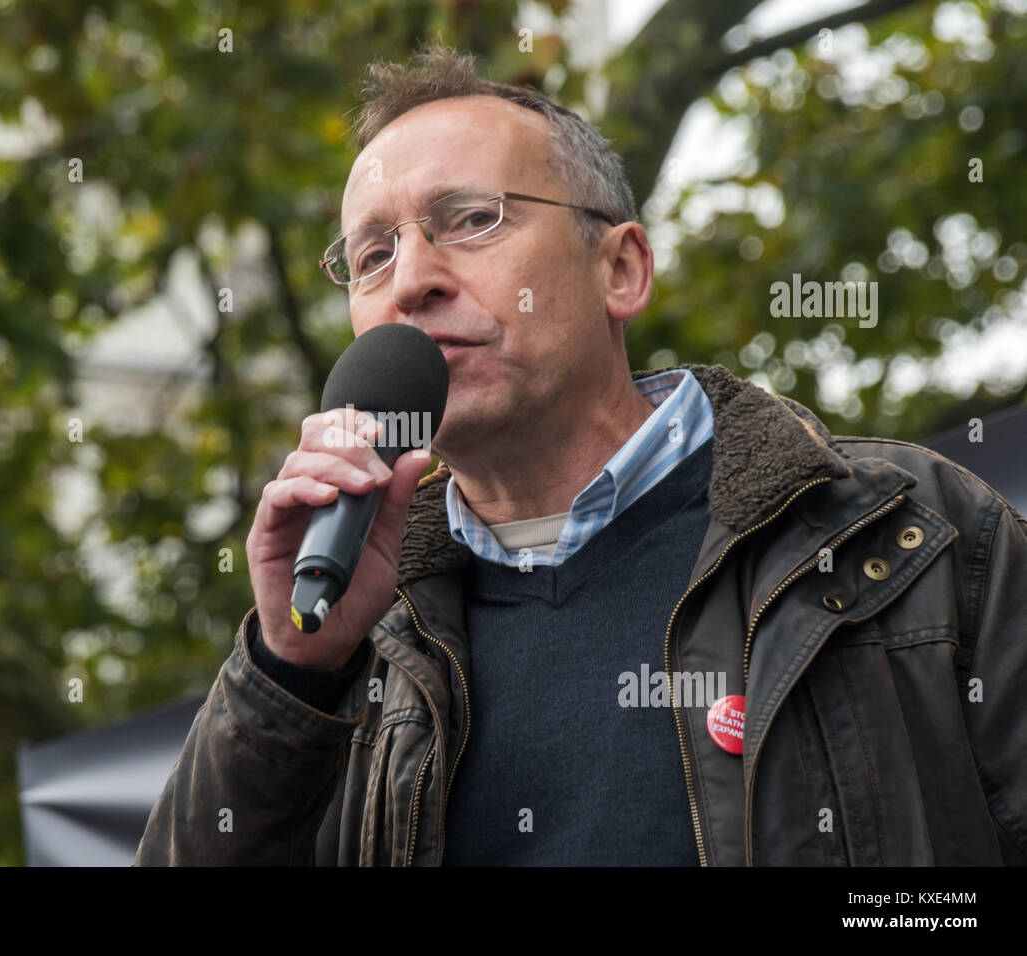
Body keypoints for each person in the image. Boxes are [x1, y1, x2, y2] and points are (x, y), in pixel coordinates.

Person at [133, 42, 1027, 866]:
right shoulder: (355, 641)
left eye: (472, 219)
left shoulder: (913, 531)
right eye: (373, 255)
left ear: (621, 270)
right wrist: (289, 672)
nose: (412, 281)